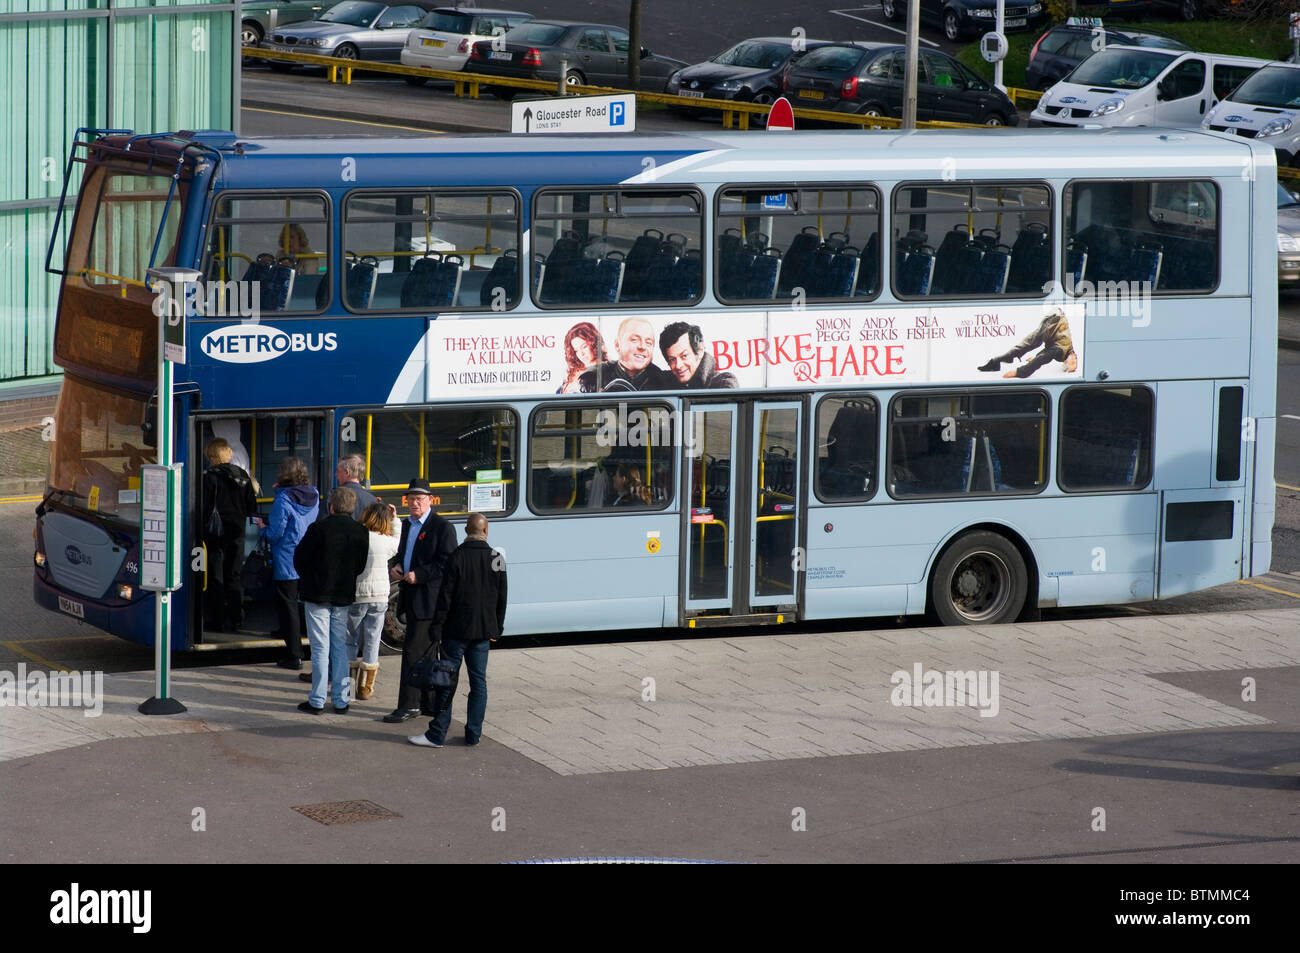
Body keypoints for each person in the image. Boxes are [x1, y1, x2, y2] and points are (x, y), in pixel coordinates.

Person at [409, 513, 507, 749]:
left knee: (446, 681)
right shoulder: (497, 557)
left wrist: (437, 628)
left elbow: (445, 597)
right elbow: (502, 596)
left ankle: (437, 734)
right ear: (486, 531)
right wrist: (497, 627)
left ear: (465, 530)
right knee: (479, 683)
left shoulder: (457, 556)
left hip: (455, 631)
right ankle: (473, 734)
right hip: (483, 632)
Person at [383, 477, 458, 724]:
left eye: (419, 499)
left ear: (429, 500)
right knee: (424, 654)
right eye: (411, 499)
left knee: (413, 654)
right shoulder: (407, 525)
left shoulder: (442, 527)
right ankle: (427, 703)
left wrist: (420, 574)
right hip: (410, 596)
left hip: (429, 601)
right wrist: (396, 565)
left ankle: (408, 705)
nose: (414, 503)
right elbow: (404, 553)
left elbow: (447, 562)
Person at [293, 487, 370, 714]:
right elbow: (360, 566)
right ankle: (341, 699)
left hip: (317, 595)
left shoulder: (318, 529)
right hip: (343, 595)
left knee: (320, 648)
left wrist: (310, 577)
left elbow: (300, 558)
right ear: (353, 507)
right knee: (340, 647)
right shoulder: (360, 531)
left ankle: (317, 700)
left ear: (331, 506)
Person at [261, 457, 320, 670]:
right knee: (302, 606)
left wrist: (262, 527)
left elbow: (275, 534)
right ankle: (294, 640)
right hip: (307, 557)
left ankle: (294, 655)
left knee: (288, 607)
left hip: (286, 559)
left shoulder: (283, 500)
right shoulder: (314, 494)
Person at [201, 438, 258, 633]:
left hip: (217, 534)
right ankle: (236, 618)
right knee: (233, 575)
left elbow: (204, 507)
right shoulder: (242, 475)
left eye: (209, 456)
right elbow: (252, 506)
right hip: (238, 532)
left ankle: (217, 619)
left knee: (216, 576)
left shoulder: (209, 477)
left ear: (214, 457)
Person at [348, 501, 401, 701]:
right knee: (372, 640)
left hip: (358, 597)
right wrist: (395, 518)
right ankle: (365, 689)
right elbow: (398, 538)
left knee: (350, 641)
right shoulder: (387, 542)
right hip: (379, 597)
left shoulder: (357, 538)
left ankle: (349, 689)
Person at [577, 317, 673, 392]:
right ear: (617, 345)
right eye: (634, 340)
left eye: (649, 343)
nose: (642, 346)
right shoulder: (594, 378)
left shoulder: (663, 380)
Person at [977, 308, 1078, 379]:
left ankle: (995, 362)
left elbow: (1049, 351)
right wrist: (1020, 372)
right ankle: (997, 361)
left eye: (1068, 365)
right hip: (1055, 319)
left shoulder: (1064, 349)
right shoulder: (1063, 350)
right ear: (1074, 356)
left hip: (1055, 318)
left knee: (1026, 345)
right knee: (1028, 344)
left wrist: (1036, 356)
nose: (1069, 363)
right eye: (1073, 362)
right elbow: (1045, 357)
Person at [659, 321, 737, 389]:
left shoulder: (724, 383)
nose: (678, 366)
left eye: (684, 356)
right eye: (672, 359)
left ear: (700, 351)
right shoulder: (665, 381)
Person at [558, 322, 607, 393]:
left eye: (584, 347)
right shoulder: (571, 375)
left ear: (594, 343)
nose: (581, 354)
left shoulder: (610, 371)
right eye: (576, 350)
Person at [334, 453, 379, 519]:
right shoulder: (373, 501)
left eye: (338, 471)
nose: (336, 475)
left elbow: (322, 525)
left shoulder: (333, 496)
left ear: (347, 473)